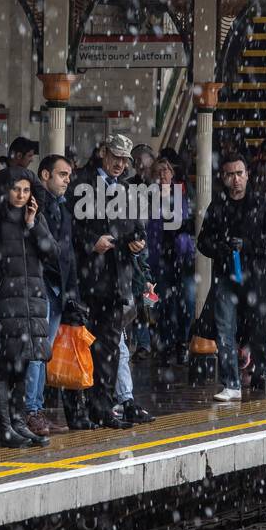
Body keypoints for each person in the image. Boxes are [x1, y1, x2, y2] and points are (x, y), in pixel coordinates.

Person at [0, 167, 57, 448]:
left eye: (26, 190)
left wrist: (33, 224)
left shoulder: (36, 218)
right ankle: (3, 425)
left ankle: (19, 421)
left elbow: (51, 253)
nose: (20, 196)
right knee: (4, 366)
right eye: (15, 189)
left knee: (24, 362)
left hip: (31, 301)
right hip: (3, 301)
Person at [71, 134, 153, 428]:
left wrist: (138, 243)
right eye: (115, 157)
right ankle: (81, 409)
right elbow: (70, 228)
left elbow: (137, 228)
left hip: (117, 278)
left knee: (108, 347)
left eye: (124, 160)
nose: (119, 164)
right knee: (82, 346)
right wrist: (92, 243)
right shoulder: (82, 183)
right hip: (88, 278)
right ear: (103, 152)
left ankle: (103, 408)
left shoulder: (127, 189)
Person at [197, 152, 266, 402]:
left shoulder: (263, 204)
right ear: (223, 177)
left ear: (247, 175)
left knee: (260, 331)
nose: (236, 179)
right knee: (224, 330)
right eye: (230, 174)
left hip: (257, 279)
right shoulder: (217, 206)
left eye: (240, 173)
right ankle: (231, 383)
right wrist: (221, 247)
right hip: (227, 277)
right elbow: (203, 242)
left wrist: (248, 245)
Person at [28, 153, 83, 432]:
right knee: (38, 351)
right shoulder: (39, 206)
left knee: (43, 351)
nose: (67, 181)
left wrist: (71, 290)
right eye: (63, 175)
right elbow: (55, 251)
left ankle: (35, 408)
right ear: (45, 175)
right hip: (44, 285)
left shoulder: (62, 207)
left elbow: (68, 253)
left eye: (69, 176)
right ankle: (31, 409)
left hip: (57, 287)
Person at [146, 155, 195, 364]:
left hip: (183, 257)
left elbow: (192, 220)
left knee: (187, 302)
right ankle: (167, 344)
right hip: (160, 257)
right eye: (158, 171)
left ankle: (182, 341)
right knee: (164, 304)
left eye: (166, 170)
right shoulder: (149, 197)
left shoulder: (184, 194)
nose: (162, 175)